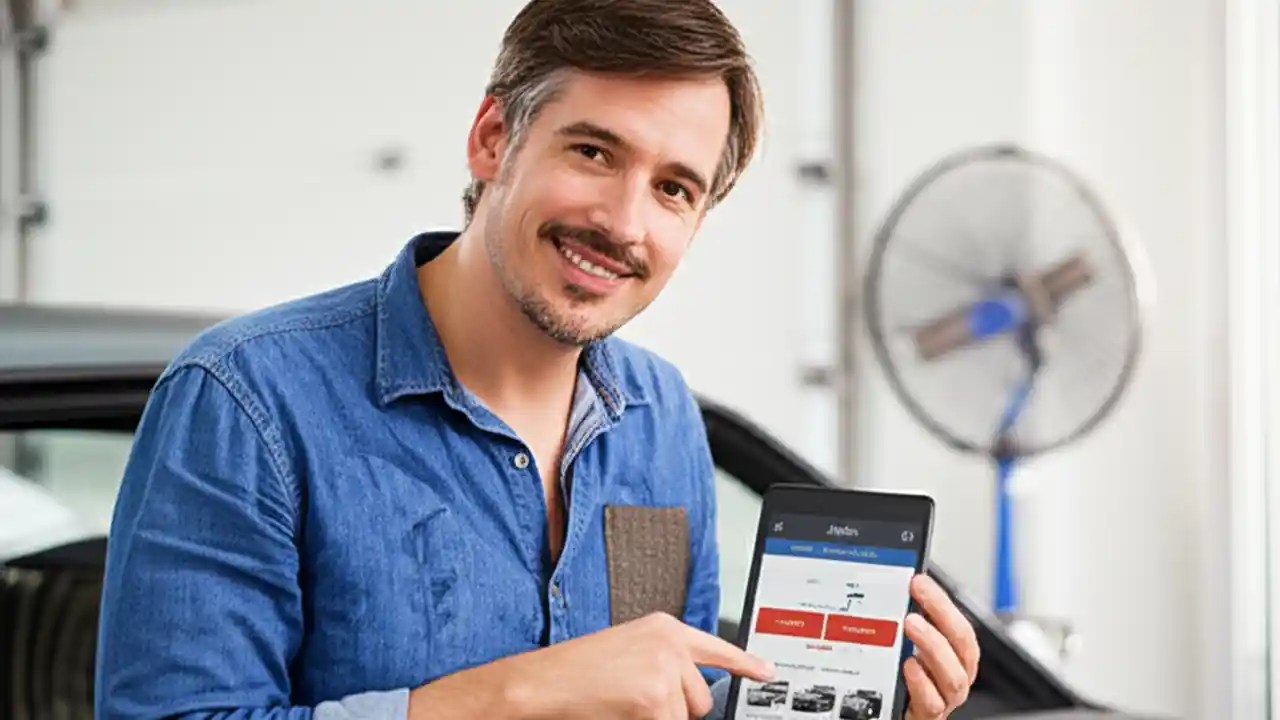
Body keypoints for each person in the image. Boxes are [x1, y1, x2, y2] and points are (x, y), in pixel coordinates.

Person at [95, 1, 979, 718]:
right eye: (593, 152)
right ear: (493, 138)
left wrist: (851, 707)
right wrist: (520, 696)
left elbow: (674, 700)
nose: (624, 223)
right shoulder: (246, 399)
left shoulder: (663, 417)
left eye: (674, 188)